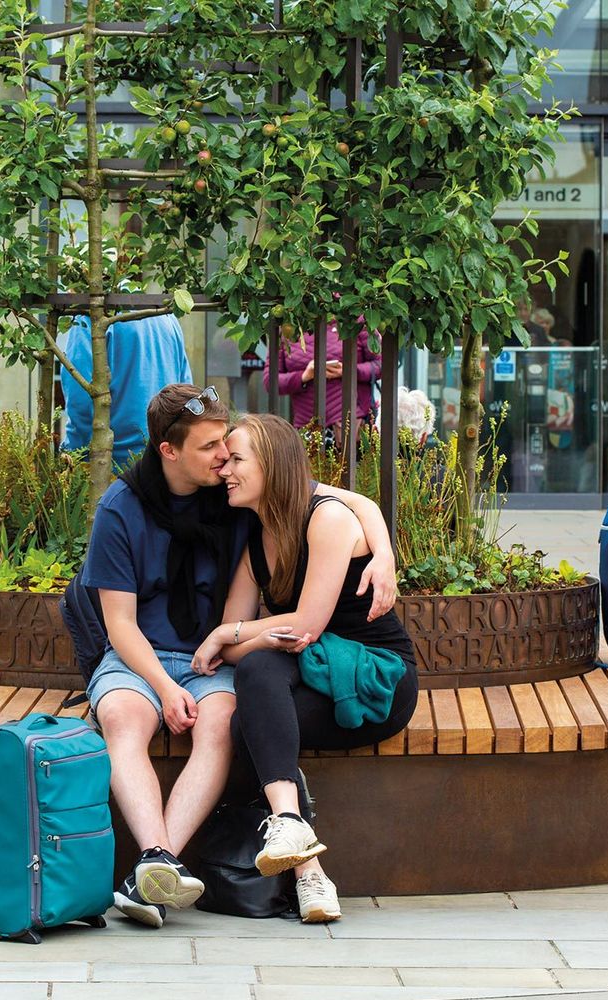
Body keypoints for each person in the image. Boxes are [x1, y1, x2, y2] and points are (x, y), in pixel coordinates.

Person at [75, 384, 398, 928]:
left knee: (224, 723)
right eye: (209, 448)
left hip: (212, 663)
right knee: (122, 720)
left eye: (227, 445)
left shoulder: (232, 497)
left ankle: (154, 866)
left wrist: (385, 550)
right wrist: (164, 685)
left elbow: (340, 500)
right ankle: (159, 861)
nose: (223, 458)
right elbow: (120, 625)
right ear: (168, 451)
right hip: (141, 658)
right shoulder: (120, 508)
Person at [191, 413, 419, 923]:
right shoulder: (257, 541)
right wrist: (245, 636)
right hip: (313, 671)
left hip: (375, 679)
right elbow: (238, 647)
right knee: (256, 681)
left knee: (253, 714)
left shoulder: (327, 519)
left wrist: (226, 635)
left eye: (236, 460)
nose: (225, 469)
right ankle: (301, 854)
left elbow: (306, 625)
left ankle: (305, 866)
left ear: (271, 464)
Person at [60, 313, 192, 471]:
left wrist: (73, 456)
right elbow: (186, 394)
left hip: (110, 467)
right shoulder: (166, 316)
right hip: (165, 460)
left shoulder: (90, 317)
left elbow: (80, 401)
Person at [266, 319, 379, 431]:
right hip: (308, 424)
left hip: (352, 420)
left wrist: (349, 371)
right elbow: (269, 381)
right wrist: (304, 376)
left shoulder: (355, 318)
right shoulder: (288, 326)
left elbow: (381, 363)